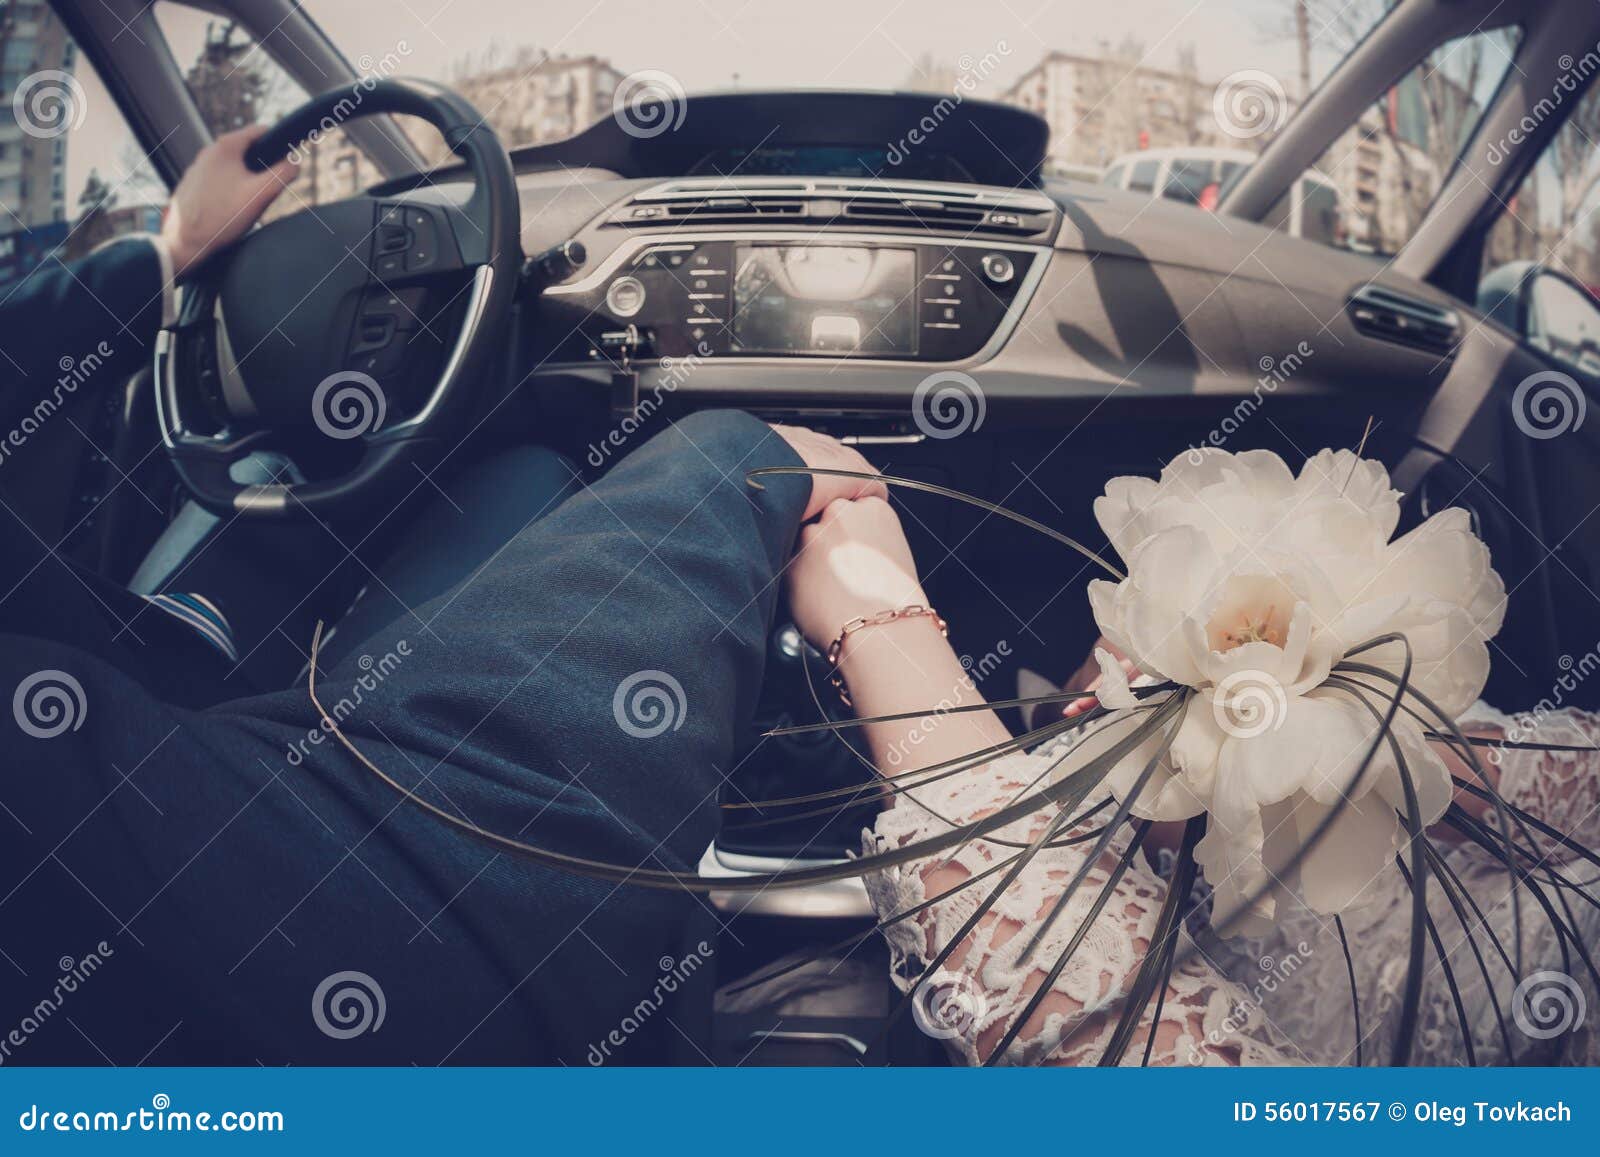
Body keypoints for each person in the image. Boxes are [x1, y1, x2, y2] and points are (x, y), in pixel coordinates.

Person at [0, 127, 888, 1063]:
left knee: (523, 474)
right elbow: (442, 903)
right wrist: (734, 469)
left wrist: (166, 256)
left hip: (139, 731)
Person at [786, 494, 1600, 1065]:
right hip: (1341, 859)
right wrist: (1342, 735)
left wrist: (880, 620)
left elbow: (1107, 1056)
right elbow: (1583, 785)